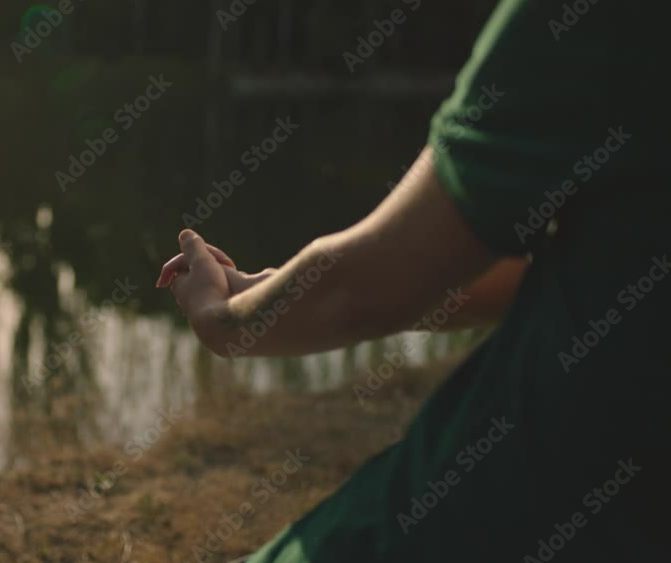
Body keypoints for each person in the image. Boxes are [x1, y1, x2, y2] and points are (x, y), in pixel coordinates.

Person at [156, 0, 669, 560]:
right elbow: (532, 271)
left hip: (525, 497)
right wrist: (274, 289)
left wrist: (225, 322)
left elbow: (372, 283)